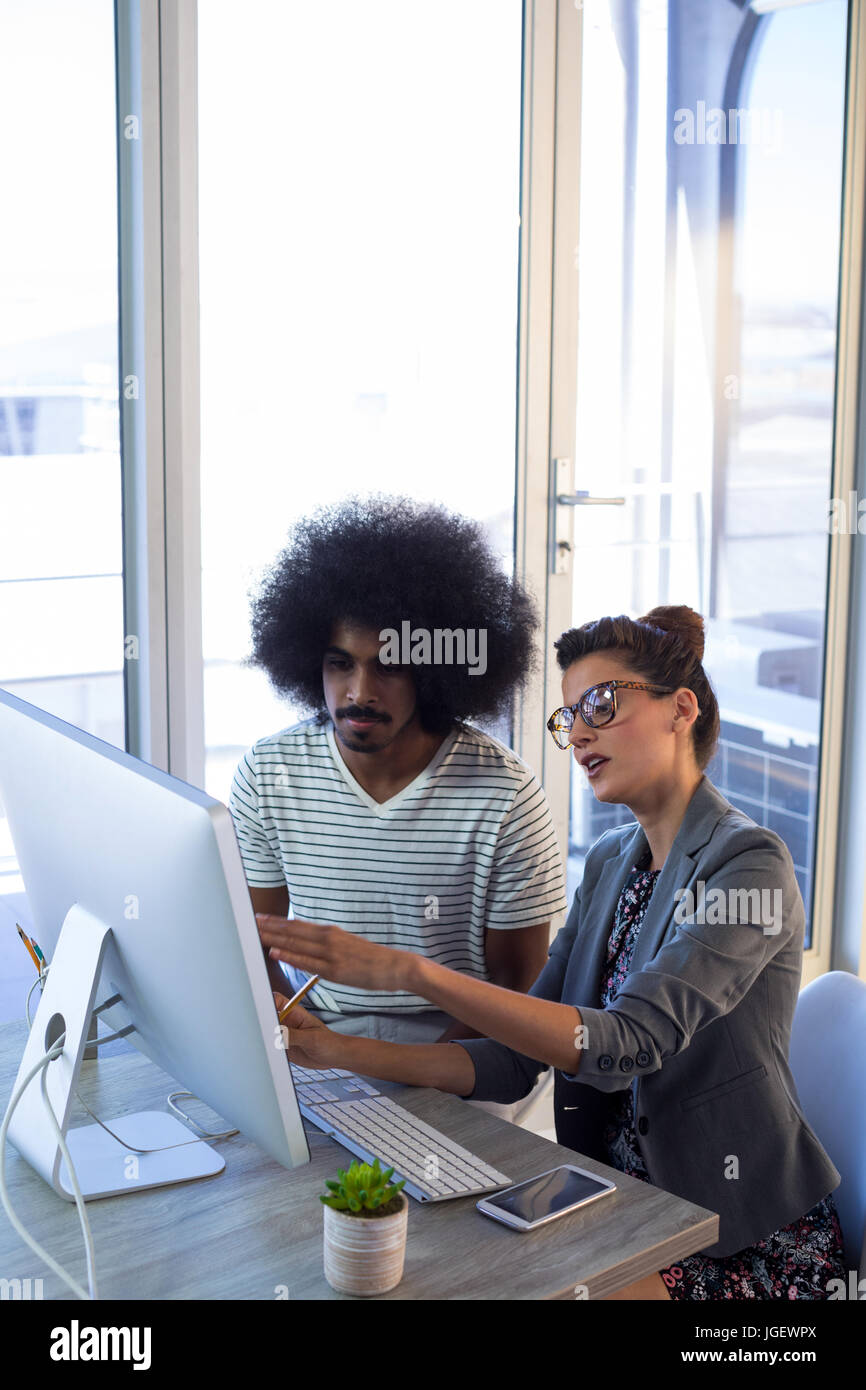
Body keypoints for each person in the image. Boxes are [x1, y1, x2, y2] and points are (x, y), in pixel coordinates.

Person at [259, 604, 847, 1301]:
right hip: (627, 1210)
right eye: (571, 718)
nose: (581, 734)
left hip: (734, 1240)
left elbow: (628, 1040)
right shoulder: (609, 863)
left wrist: (408, 971)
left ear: (680, 709)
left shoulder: (749, 865)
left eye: (600, 704)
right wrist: (328, 1052)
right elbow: (514, 1060)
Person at [229, 494, 568, 1088]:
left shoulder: (505, 798)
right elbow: (256, 941)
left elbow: (516, 997)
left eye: (389, 666)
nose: (359, 691)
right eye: (340, 664)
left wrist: (389, 1073)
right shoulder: (269, 772)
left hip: (451, 1058)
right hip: (313, 1037)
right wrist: (300, 1033)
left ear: (435, 672)